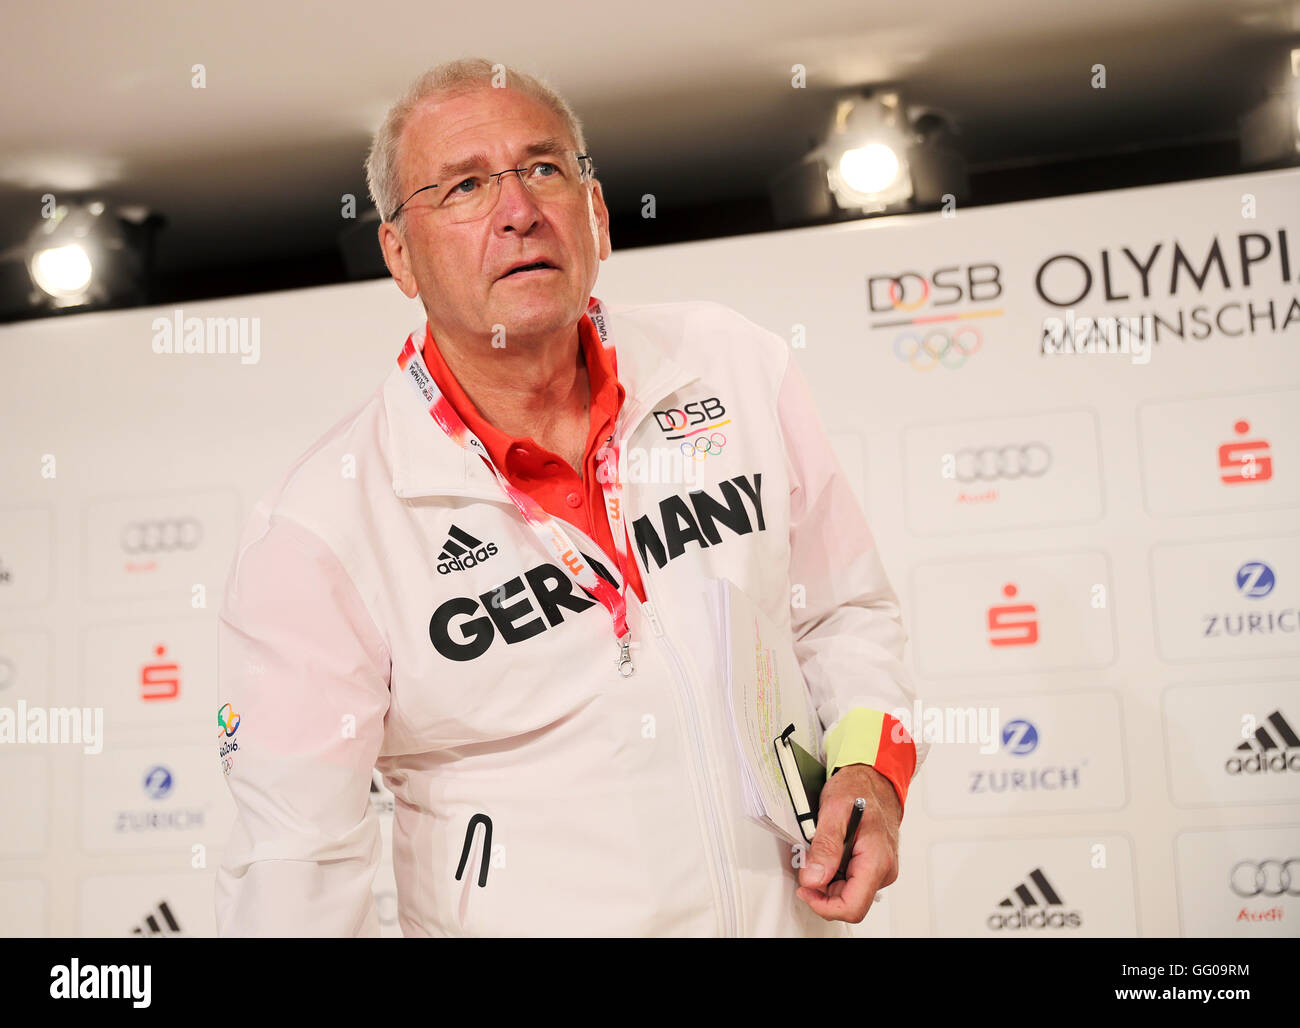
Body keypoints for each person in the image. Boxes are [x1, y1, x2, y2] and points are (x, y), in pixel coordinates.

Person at [214, 57, 926, 937]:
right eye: (465, 186)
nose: (519, 210)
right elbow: (296, 861)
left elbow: (842, 613)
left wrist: (871, 775)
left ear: (596, 211)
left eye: (544, 168)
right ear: (398, 251)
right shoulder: (318, 527)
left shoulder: (732, 364)